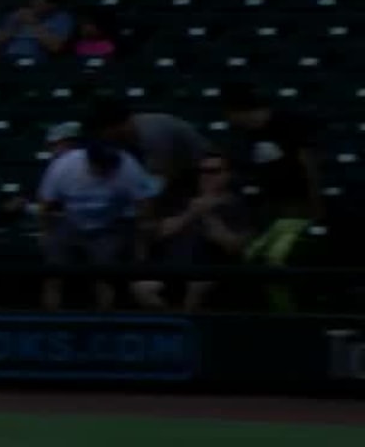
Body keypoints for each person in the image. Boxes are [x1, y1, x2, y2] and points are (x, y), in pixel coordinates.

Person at [221, 83, 324, 311]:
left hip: (298, 207)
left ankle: (291, 316)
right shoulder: (249, 136)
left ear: (237, 111)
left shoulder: (288, 124)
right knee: (252, 258)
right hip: (270, 209)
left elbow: (309, 165)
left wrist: (316, 206)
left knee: (278, 260)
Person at [37, 140, 158, 310]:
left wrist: (142, 236)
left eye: (110, 165)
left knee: (104, 277)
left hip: (108, 225)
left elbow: (145, 203)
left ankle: (105, 324)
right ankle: (49, 321)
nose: (106, 171)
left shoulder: (127, 166)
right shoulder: (64, 166)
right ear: (89, 161)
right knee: (53, 275)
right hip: (71, 221)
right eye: (101, 166)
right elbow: (45, 204)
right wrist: (44, 232)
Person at [132, 151, 252, 312]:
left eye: (213, 171)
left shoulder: (236, 205)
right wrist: (191, 213)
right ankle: (171, 321)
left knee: (197, 287)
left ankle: (188, 324)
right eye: (202, 171)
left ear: (227, 175)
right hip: (171, 268)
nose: (206, 176)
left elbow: (232, 245)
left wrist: (208, 215)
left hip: (210, 270)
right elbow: (160, 233)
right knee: (141, 288)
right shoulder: (182, 201)